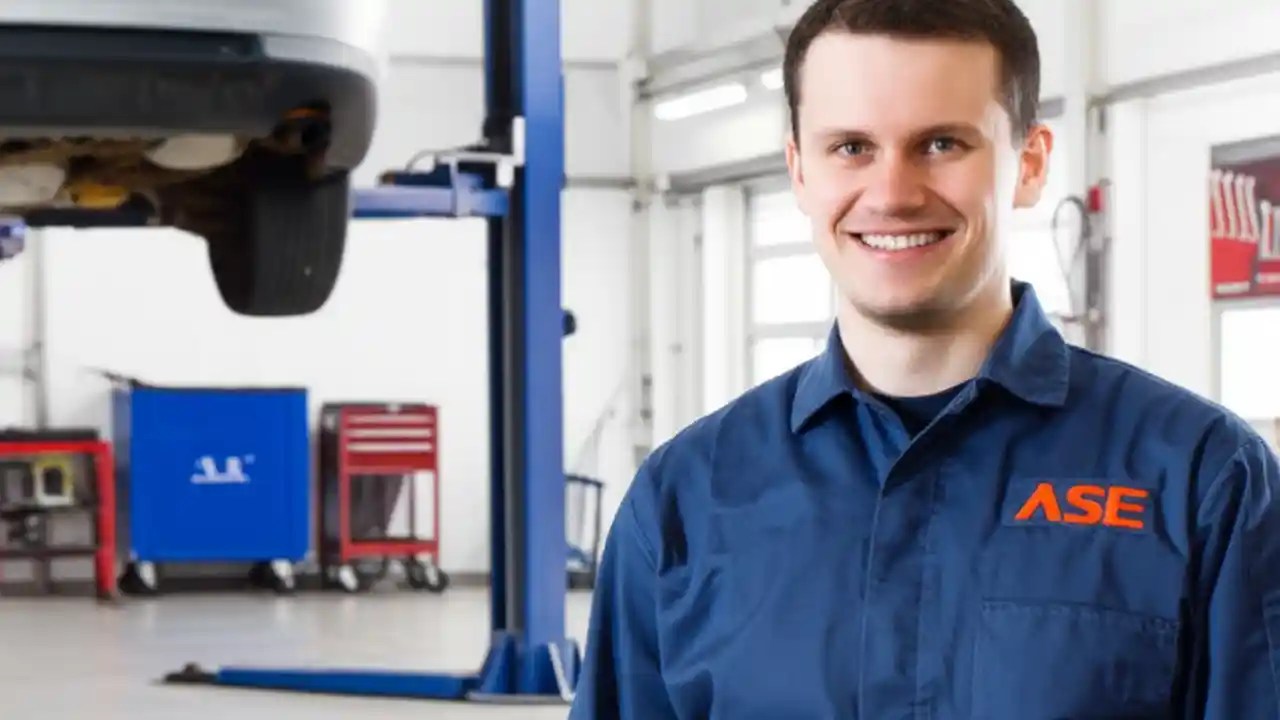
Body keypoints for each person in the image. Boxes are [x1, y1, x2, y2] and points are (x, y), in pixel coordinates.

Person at [569, 0, 1280, 717]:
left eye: (941, 144)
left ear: (1029, 164)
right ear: (799, 170)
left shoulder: (1201, 480)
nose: (892, 194)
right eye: (851, 147)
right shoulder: (684, 502)